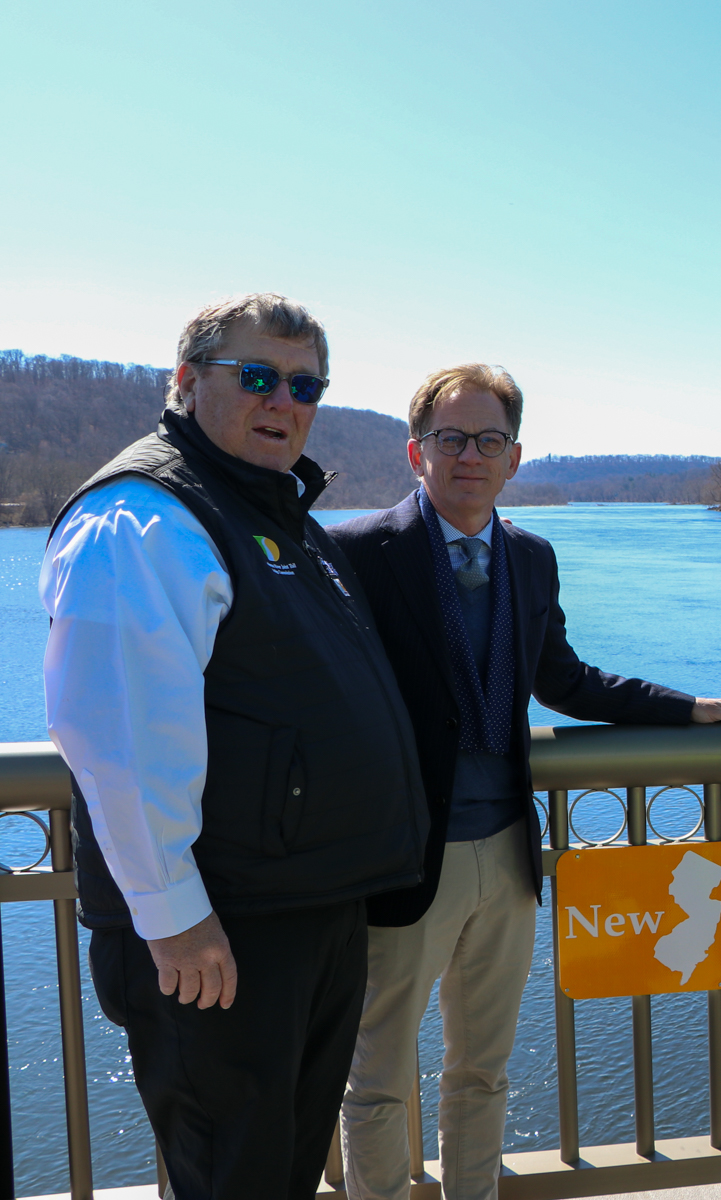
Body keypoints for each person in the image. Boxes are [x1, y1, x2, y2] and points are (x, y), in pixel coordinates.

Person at [330, 364, 721, 1200]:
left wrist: (685, 709)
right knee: (379, 1078)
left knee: (483, 1069)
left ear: (516, 457)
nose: (470, 456)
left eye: (488, 440)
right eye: (451, 439)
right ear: (415, 451)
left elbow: (565, 679)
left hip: (507, 857)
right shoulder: (359, 551)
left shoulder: (530, 557)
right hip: (400, 859)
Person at [39, 294, 430, 1198]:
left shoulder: (274, 510)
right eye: (255, 376)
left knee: (280, 1171)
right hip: (218, 933)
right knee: (232, 1175)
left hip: (305, 910)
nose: (283, 400)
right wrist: (172, 913)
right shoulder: (144, 518)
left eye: (304, 384)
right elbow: (117, 735)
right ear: (185, 381)